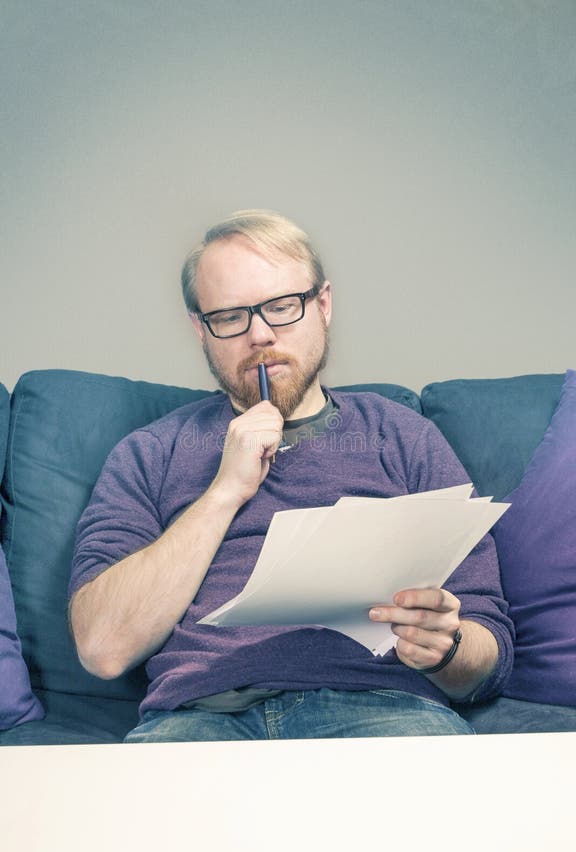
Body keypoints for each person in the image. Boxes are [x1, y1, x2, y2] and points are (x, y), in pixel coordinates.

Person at [69, 209, 514, 742]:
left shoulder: (402, 434)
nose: (260, 334)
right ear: (200, 330)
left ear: (322, 305)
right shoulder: (150, 452)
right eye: (230, 316)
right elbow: (102, 648)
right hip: (200, 716)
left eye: (282, 307)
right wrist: (223, 492)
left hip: (381, 706)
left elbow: (489, 651)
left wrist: (449, 647)